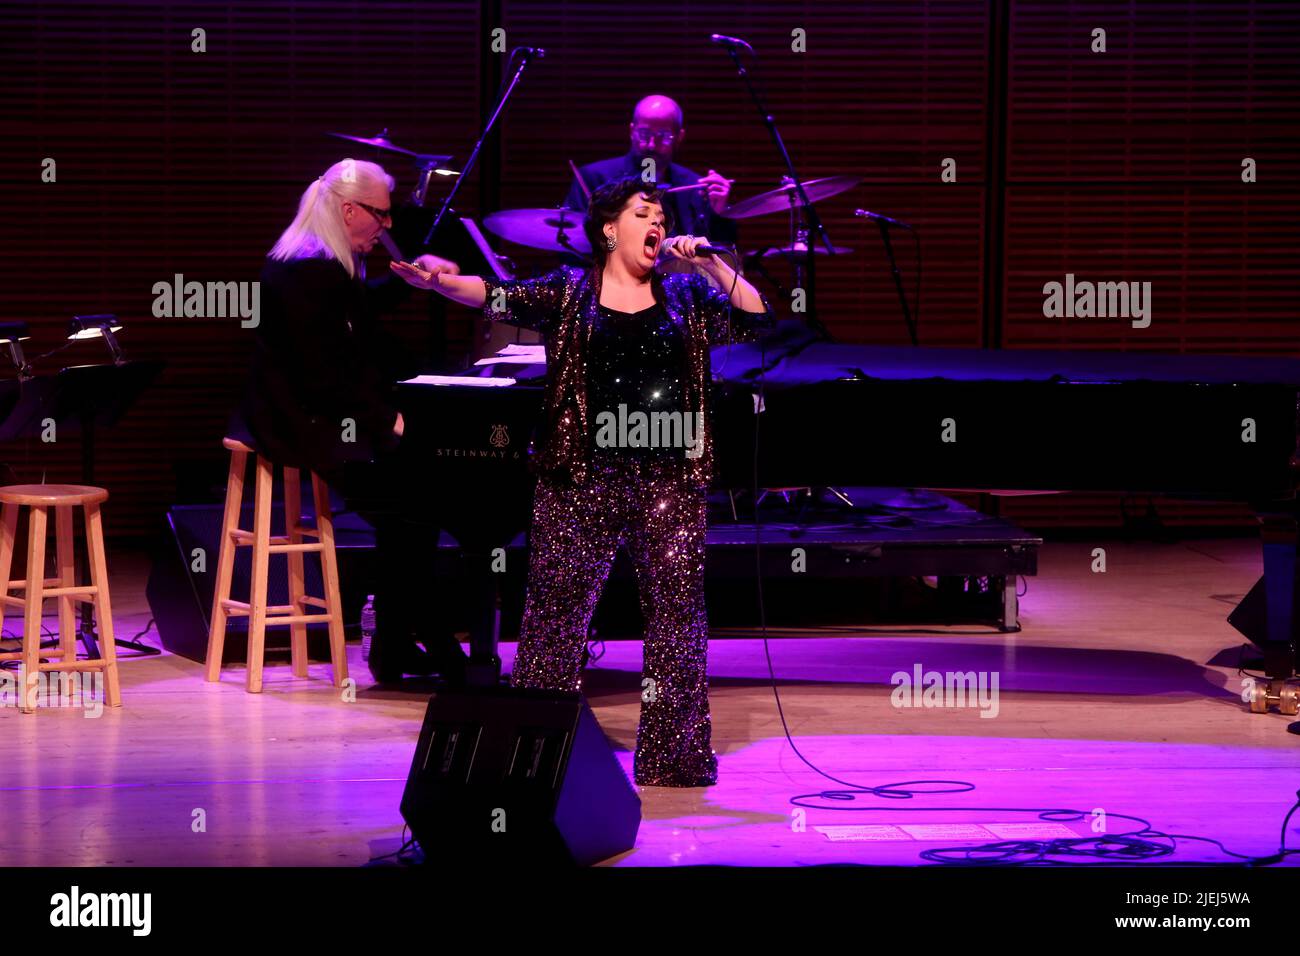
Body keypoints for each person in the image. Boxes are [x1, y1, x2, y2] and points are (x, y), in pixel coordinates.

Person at [397, 176, 776, 787]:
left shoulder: (684, 295)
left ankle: (673, 758)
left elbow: (758, 321)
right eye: (643, 213)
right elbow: (495, 296)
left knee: (678, 622)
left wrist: (710, 261)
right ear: (609, 228)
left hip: (668, 480)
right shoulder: (569, 290)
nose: (656, 224)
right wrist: (439, 281)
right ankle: (537, 758)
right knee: (554, 619)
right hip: (581, 477)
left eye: (661, 217)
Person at [234, 158, 466, 684]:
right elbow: (323, 377)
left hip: (323, 410)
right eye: (380, 216)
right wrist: (387, 421)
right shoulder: (305, 271)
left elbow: (356, 319)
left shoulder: (324, 262)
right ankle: (408, 636)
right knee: (414, 497)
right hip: (302, 421)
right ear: (348, 209)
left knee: (415, 500)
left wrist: (414, 280)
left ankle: (398, 640)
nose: (386, 228)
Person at [563, 95, 738, 252]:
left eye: (663, 136)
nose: (651, 145)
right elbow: (571, 242)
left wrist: (719, 212)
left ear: (679, 137)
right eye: (644, 134)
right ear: (632, 131)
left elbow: (721, 250)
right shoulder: (594, 178)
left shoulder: (694, 186)